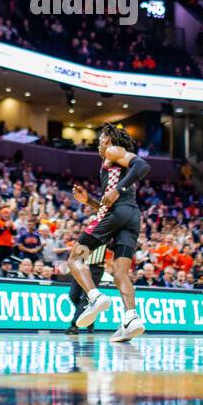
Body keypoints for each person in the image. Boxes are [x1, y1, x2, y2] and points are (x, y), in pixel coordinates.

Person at [69, 124, 151, 343]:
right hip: (131, 216)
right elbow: (109, 205)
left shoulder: (111, 151)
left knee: (75, 258)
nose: (98, 143)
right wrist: (88, 201)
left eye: (100, 139)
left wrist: (117, 189)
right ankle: (130, 319)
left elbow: (143, 165)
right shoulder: (113, 163)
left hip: (119, 212)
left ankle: (94, 297)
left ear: (108, 139)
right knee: (119, 272)